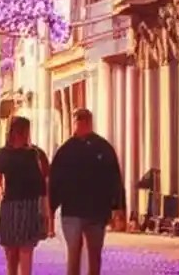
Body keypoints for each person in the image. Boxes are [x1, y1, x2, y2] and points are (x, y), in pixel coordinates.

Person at [49, 108, 125, 275]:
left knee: (92, 253)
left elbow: (114, 178)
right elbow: (55, 182)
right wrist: (51, 210)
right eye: (78, 121)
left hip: (94, 211)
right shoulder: (67, 150)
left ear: (88, 122)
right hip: (77, 211)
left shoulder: (101, 148)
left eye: (82, 121)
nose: (79, 125)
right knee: (78, 253)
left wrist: (117, 208)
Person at [0, 116, 52, 275]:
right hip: (17, 208)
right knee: (14, 254)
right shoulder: (10, 155)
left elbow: (45, 188)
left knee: (20, 253)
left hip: (21, 207)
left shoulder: (34, 154)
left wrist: (48, 215)